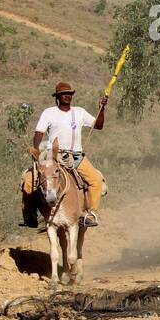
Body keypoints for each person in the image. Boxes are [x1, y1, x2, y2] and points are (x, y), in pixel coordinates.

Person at [27, 81, 107, 227]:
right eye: (64, 94)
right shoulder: (49, 112)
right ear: (57, 97)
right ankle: (30, 214)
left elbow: (99, 125)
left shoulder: (79, 112)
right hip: (54, 155)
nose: (67, 96)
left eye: (69, 94)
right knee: (29, 180)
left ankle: (90, 214)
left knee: (96, 180)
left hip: (76, 156)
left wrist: (102, 109)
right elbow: (39, 133)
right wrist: (39, 153)